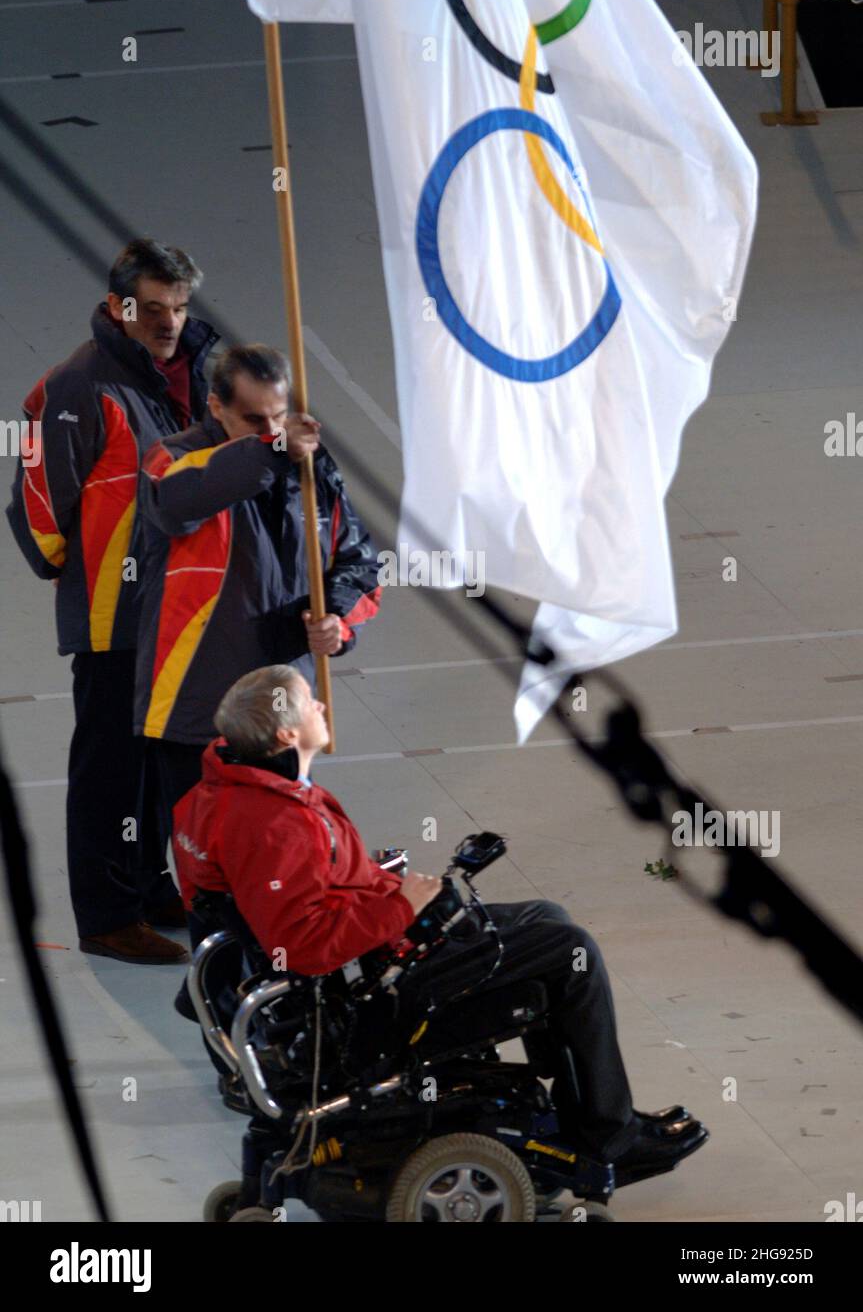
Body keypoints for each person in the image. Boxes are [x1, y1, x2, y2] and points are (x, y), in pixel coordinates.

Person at [173, 664, 708, 1172]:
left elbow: (311, 889)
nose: (321, 704)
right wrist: (401, 905)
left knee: (546, 915)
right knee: (570, 949)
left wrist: (392, 887)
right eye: (309, 701)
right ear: (287, 737)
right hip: (368, 999)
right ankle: (607, 1135)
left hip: (364, 955)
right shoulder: (276, 824)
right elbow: (305, 946)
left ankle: (581, 1108)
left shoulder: (221, 794)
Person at [6, 238, 219, 965]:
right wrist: (82, 571)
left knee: (163, 759)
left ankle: (152, 887)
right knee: (109, 767)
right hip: (111, 614)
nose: (168, 322)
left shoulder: (186, 372)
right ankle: (105, 915)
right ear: (116, 306)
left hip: (175, 609)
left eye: (179, 308)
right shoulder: (78, 387)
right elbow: (39, 504)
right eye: (152, 308)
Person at [132, 343, 381, 876]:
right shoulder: (171, 460)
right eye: (254, 419)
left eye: (278, 415)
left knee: (286, 862)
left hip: (283, 709)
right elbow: (179, 505)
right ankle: (220, 958)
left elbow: (359, 560)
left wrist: (335, 620)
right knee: (211, 870)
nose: (271, 428)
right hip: (198, 707)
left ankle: (281, 959)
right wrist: (271, 450)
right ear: (215, 407)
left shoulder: (313, 464)